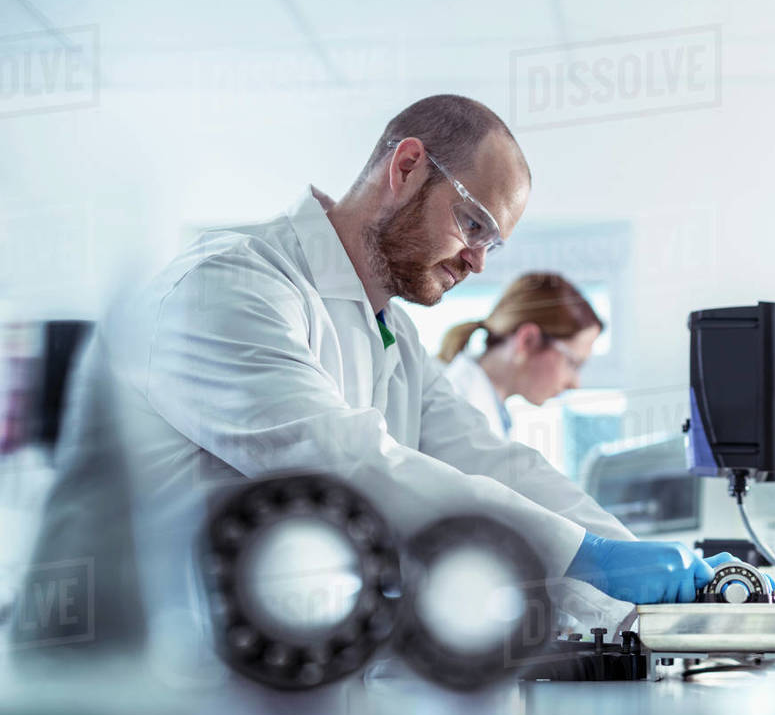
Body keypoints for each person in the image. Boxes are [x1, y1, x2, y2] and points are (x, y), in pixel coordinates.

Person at [19, 95, 731, 664]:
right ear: (408, 167)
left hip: (255, 680)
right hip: (109, 690)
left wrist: (652, 581)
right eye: (473, 224)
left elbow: (491, 462)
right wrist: (582, 557)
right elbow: (346, 466)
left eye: (493, 243)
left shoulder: (391, 334)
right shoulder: (227, 287)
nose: (479, 262)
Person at [438, 272, 601, 439]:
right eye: (573, 364)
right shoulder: (458, 413)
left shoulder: (487, 409)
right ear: (528, 340)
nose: (575, 384)